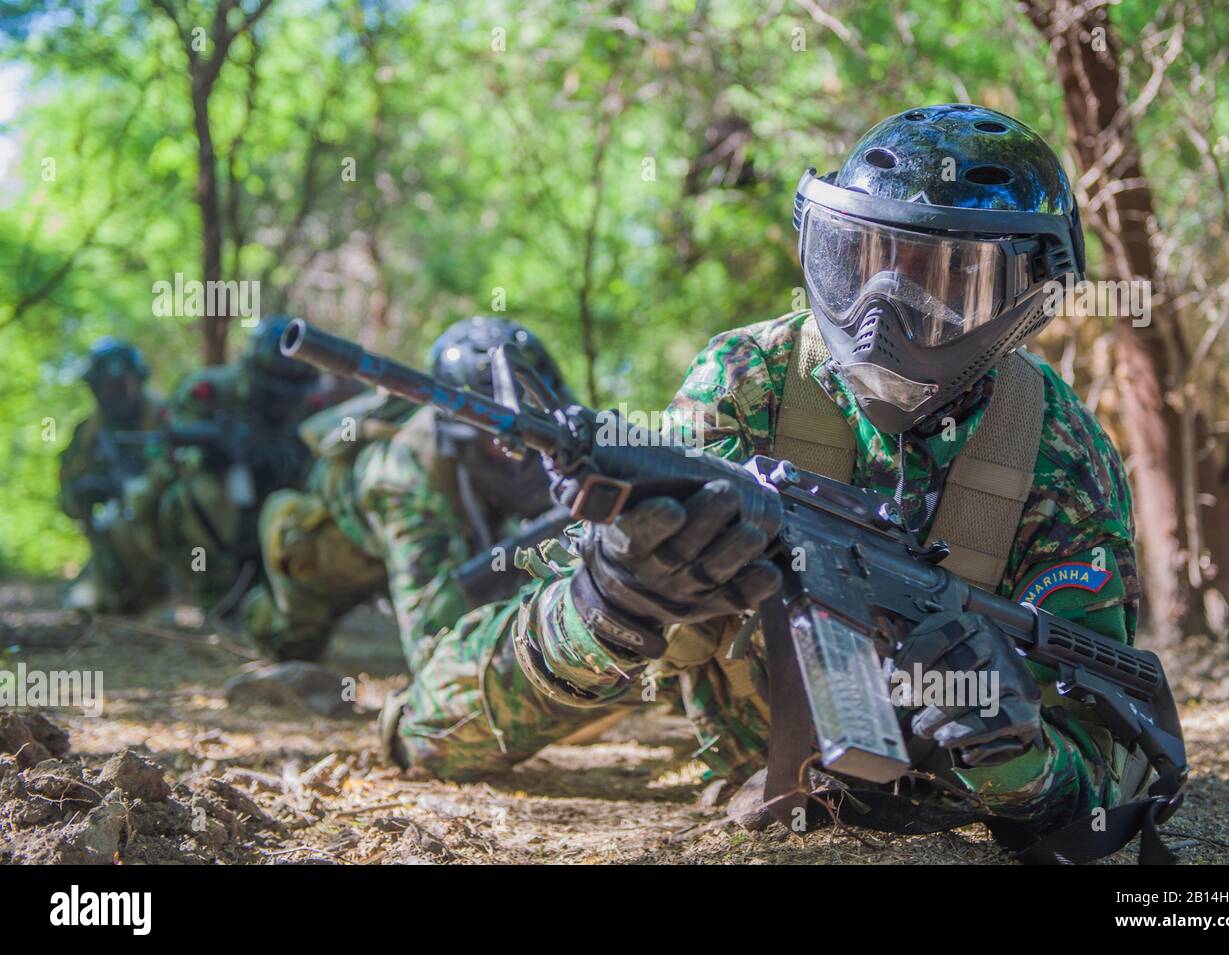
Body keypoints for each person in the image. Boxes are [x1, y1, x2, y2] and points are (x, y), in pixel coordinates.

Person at [379, 105, 1155, 859]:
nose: (883, 312)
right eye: (867, 263)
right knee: (595, 626)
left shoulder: (1057, 451)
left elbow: (1104, 762)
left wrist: (1016, 759)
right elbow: (507, 661)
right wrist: (605, 605)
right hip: (753, 770)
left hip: (945, 793)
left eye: (943, 282)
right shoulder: (749, 379)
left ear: (1030, 296)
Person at [238, 316, 567, 668]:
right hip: (337, 547)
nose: (532, 451)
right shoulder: (406, 478)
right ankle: (250, 607)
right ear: (465, 434)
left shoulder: (484, 465)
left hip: (426, 535)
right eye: (510, 438)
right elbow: (433, 649)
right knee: (286, 642)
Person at [112, 317, 323, 612]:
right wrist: (210, 458)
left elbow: (322, 460)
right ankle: (214, 589)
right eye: (273, 393)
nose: (279, 403)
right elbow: (163, 456)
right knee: (207, 493)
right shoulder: (207, 391)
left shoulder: (313, 406)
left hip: (279, 502)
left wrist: (283, 459)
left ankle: (292, 596)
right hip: (204, 511)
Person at [59, 338, 169, 612]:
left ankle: (166, 592)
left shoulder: (166, 419)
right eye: (108, 386)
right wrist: (84, 491)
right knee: (86, 604)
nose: (117, 393)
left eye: (124, 384)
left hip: (166, 538)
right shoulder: (87, 434)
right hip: (112, 541)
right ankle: (114, 588)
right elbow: (66, 495)